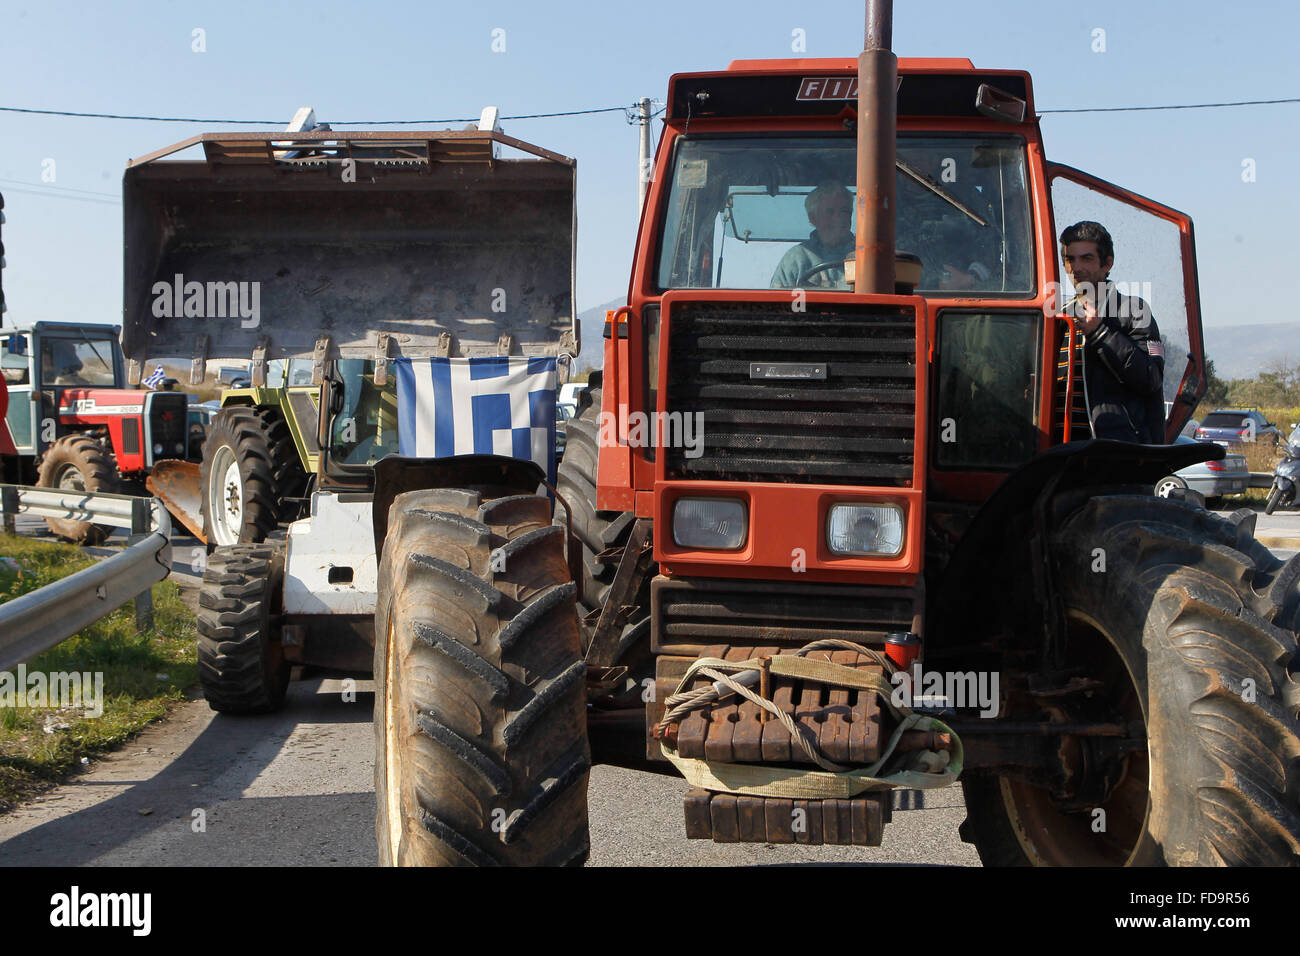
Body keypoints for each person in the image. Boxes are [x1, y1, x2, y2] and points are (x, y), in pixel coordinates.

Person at [1059, 220, 1164, 443]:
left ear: (1107, 263)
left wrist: (1101, 334)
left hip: (1115, 449)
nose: (1076, 268)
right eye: (1070, 260)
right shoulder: (1058, 316)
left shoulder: (1134, 310)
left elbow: (1151, 379)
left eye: (1086, 258)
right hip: (1060, 446)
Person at [770, 182, 854, 289]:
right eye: (829, 212)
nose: (838, 218)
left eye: (844, 211)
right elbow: (777, 301)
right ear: (813, 218)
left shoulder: (866, 256)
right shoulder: (796, 259)